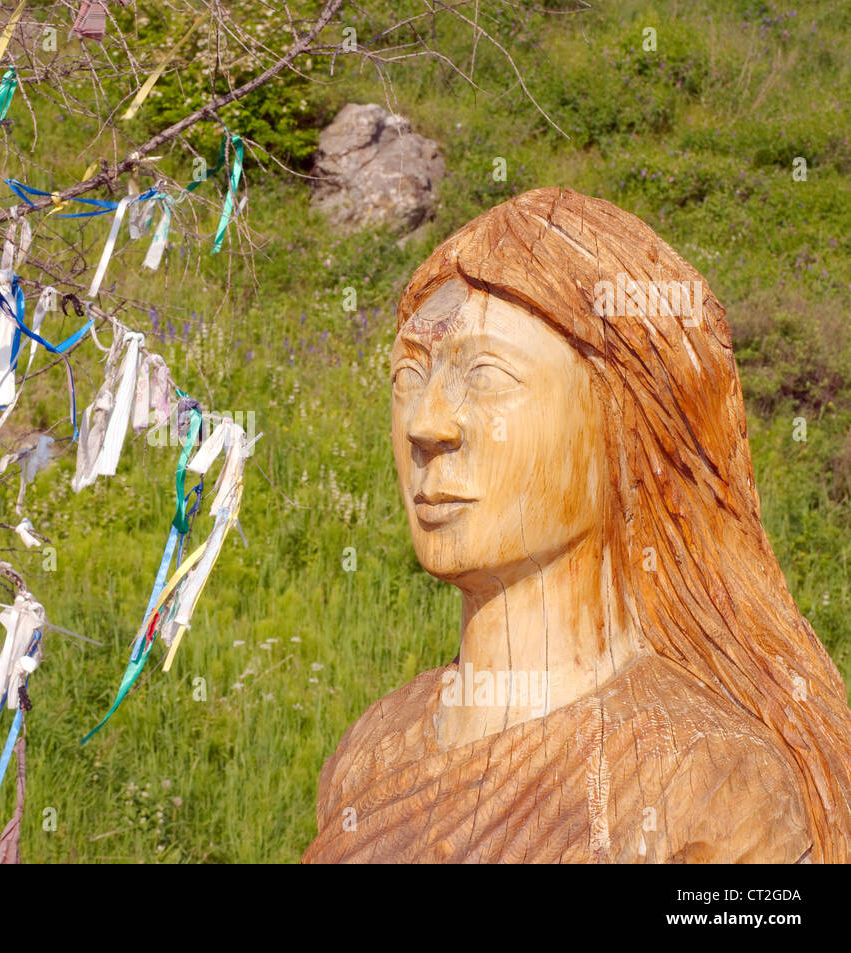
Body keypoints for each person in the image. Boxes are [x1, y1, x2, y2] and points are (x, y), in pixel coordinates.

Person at [303, 188, 851, 863]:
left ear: (623, 421)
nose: (426, 423)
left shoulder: (712, 782)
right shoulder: (374, 748)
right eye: (408, 375)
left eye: (485, 372)